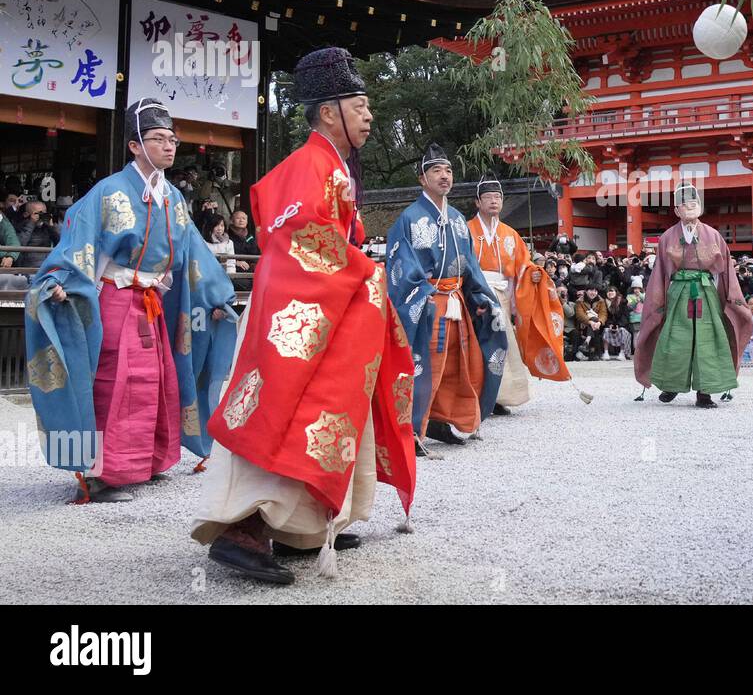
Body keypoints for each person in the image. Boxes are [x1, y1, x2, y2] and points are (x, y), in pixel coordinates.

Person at [192, 47, 416, 584]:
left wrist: (357, 272)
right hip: (294, 317)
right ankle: (242, 528)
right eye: (359, 106)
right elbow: (298, 239)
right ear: (327, 111)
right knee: (280, 410)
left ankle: (302, 528)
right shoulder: (310, 164)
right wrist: (364, 271)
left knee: (324, 414)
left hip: (323, 309)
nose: (368, 116)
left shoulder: (331, 166)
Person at [26, 99, 237, 504]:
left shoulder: (173, 197)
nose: (169, 146)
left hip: (152, 304)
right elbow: (78, 241)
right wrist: (59, 279)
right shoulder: (107, 193)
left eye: (173, 139)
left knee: (155, 380)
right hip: (115, 300)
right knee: (113, 381)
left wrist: (218, 294)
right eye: (158, 139)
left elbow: (194, 252)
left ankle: (147, 462)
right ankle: (101, 473)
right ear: (135, 146)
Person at [386, 144, 507, 448]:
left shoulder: (456, 220)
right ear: (422, 179)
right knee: (424, 364)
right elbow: (400, 265)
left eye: (448, 170)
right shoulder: (409, 219)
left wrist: (481, 297)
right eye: (436, 171)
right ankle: (411, 429)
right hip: (428, 302)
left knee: (457, 364)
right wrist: (422, 295)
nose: (444, 176)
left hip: (457, 300)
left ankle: (441, 420)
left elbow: (471, 265)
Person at [633, 184, 752, 408]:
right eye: (684, 205)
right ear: (676, 210)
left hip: (705, 292)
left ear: (700, 207)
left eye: (694, 204)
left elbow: (726, 269)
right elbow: (659, 272)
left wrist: (731, 297)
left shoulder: (713, 235)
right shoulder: (668, 236)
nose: (690, 208)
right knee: (676, 338)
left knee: (707, 340)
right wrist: (658, 302)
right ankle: (671, 385)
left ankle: (704, 392)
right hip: (678, 292)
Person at [468, 177, 569, 416]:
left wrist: (532, 274)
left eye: (498, 197)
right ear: (477, 202)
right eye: (488, 197)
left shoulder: (510, 234)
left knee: (504, 345)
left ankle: (499, 397)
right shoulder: (465, 230)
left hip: (502, 295)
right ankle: (475, 396)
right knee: (475, 345)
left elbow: (523, 264)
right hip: (475, 294)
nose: (494, 201)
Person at [16, 200, 60, 271]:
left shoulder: (47, 227)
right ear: (26, 214)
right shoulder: (20, 226)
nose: (41, 215)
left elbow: (60, 243)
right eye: (38, 213)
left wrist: (51, 227)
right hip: (29, 268)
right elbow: (20, 244)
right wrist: (31, 223)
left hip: (47, 267)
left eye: (44, 213)